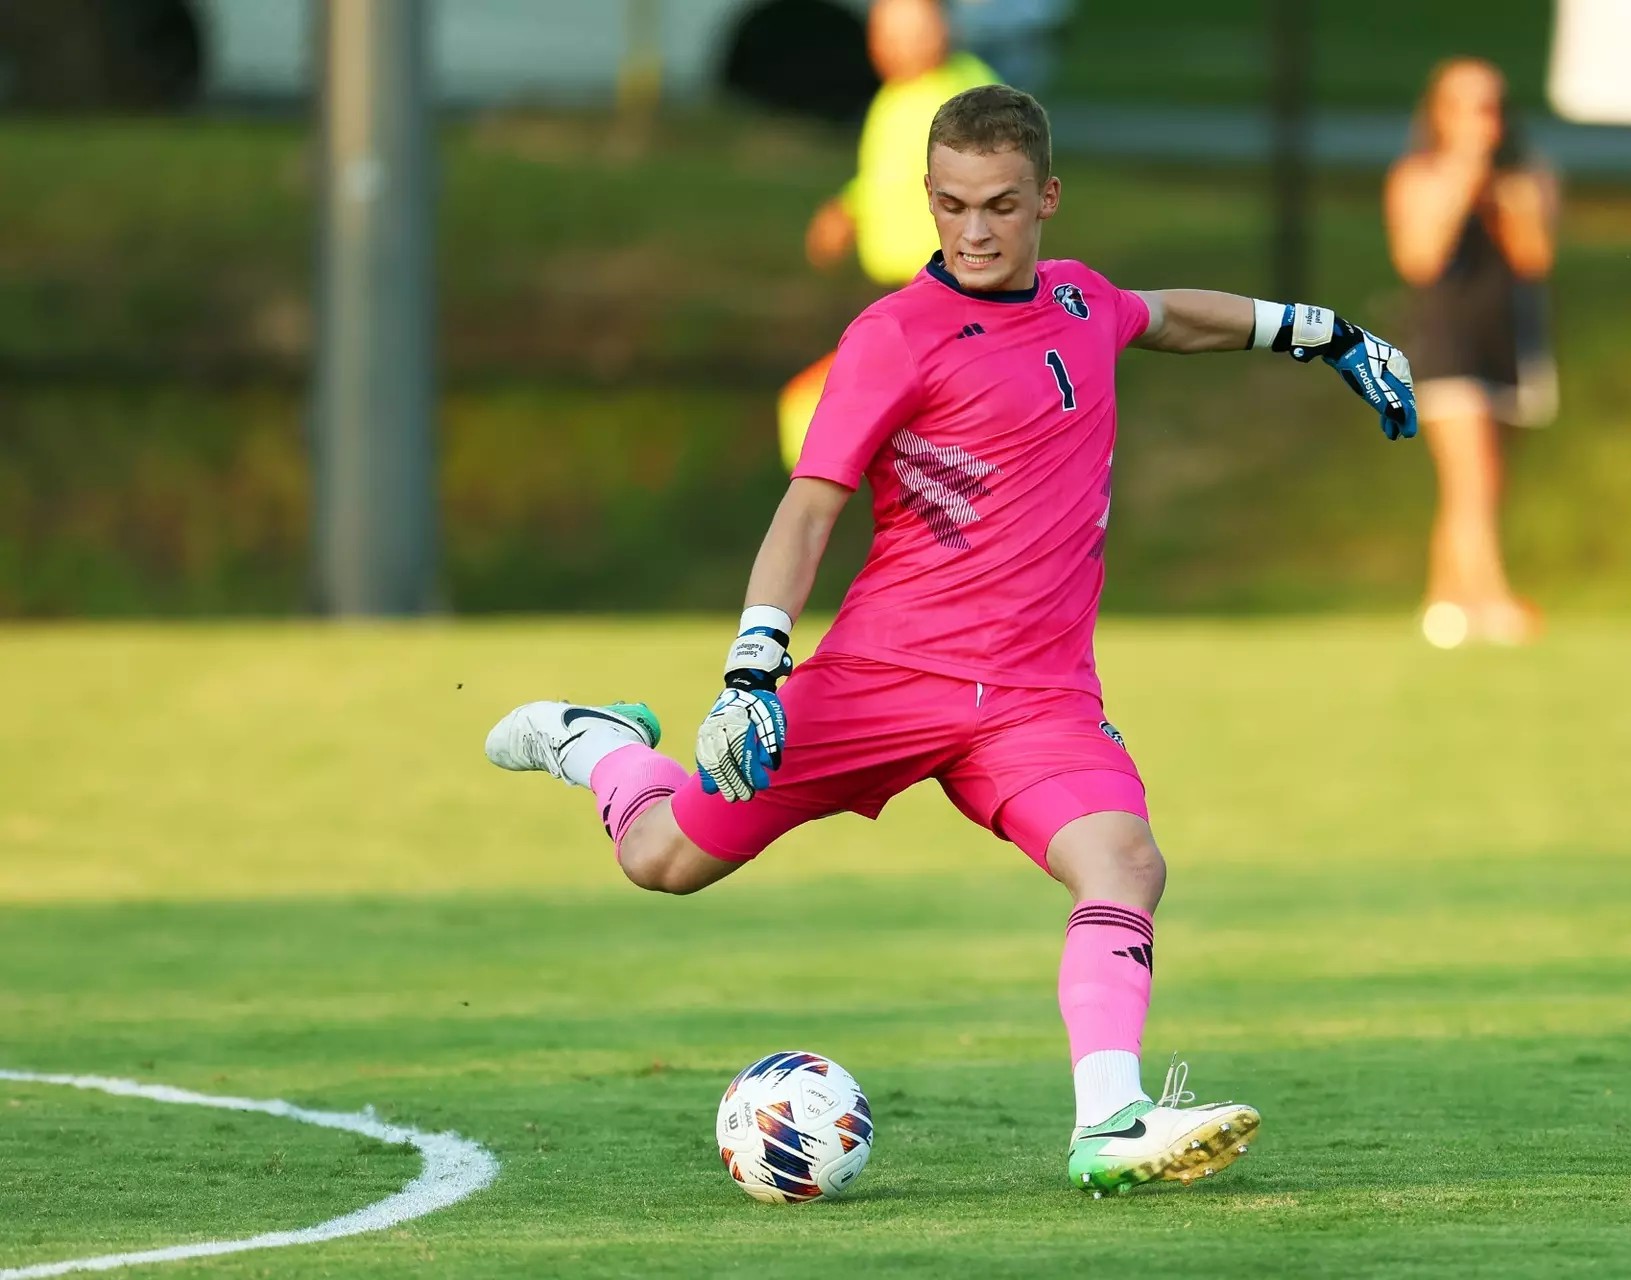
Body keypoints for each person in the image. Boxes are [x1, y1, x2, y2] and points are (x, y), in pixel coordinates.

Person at [486, 85, 1417, 1197]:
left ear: (1047, 201)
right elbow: (809, 506)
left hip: (1036, 699)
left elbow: (1167, 314)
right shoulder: (891, 336)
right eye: (953, 205)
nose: (974, 231)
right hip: (885, 677)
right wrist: (754, 665)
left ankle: (1110, 1118)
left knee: (1126, 861)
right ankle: (597, 745)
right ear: (929, 200)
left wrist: (1321, 331)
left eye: (1000, 206)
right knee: (665, 860)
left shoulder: (1081, 302)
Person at [1385, 57, 1558, 648]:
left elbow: (1536, 258)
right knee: (1470, 478)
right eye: (1467, 106)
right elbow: (1420, 257)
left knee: (1483, 487)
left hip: (1507, 339)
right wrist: (1462, 172)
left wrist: (1510, 198)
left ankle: (1444, 605)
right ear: (1441, 113)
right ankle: (1494, 602)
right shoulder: (1417, 175)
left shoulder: (1525, 178)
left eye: (1491, 106)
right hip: (1445, 343)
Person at [780, 0, 997, 469]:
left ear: (946, 27)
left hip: (942, 285)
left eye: (915, 30)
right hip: (895, 284)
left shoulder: (968, 94)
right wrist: (848, 208)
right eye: (886, 35)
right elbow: (887, 176)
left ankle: (834, 486)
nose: (900, 46)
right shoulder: (892, 99)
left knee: (816, 403)